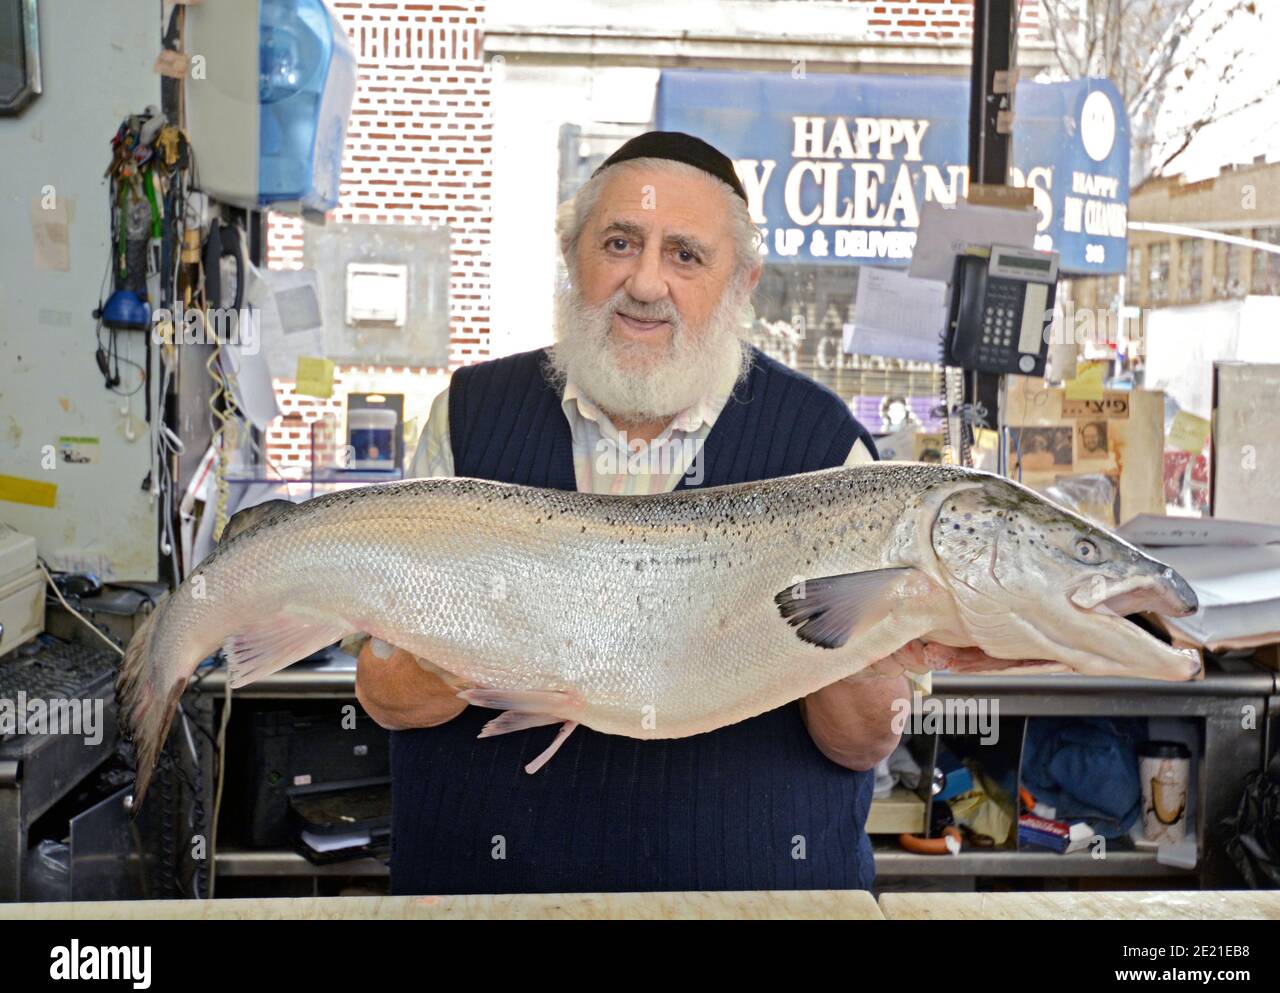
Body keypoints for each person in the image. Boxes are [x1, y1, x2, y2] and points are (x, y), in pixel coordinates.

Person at [356, 131, 939, 895]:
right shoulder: (467, 419)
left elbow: (867, 740)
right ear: (573, 259)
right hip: (487, 904)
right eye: (621, 243)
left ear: (743, 283)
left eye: (686, 255)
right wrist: (486, 639)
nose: (646, 281)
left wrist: (815, 619)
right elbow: (383, 694)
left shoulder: (828, 449)